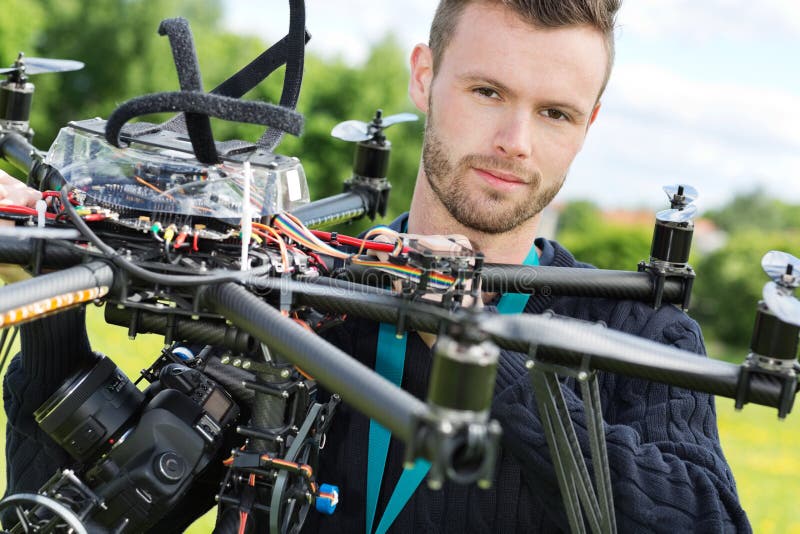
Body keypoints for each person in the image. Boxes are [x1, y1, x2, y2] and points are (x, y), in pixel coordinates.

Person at [0, 1, 750, 533]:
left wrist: (480, 357)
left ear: (589, 125)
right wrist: (46, 311)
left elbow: (704, 518)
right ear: (425, 76)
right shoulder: (300, 290)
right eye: (487, 92)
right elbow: (64, 513)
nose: (516, 140)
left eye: (555, 112)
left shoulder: (640, 332)